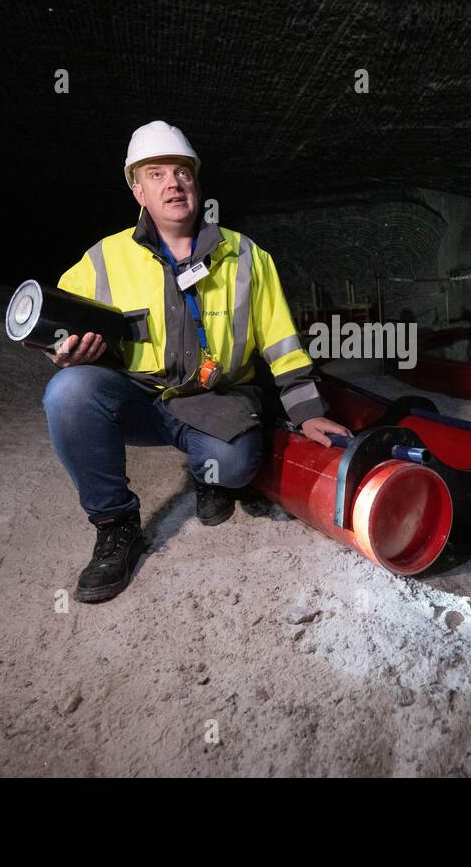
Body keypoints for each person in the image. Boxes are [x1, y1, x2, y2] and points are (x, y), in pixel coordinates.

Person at [42, 120, 351, 602]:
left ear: (197, 183)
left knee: (233, 465)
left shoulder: (247, 258)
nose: (173, 183)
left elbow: (282, 345)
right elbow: (60, 323)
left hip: (217, 399)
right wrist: (61, 348)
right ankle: (115, 526)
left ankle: (210, 473)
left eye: (182, 172)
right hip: (141, 399)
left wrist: (310, 414)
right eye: (157, 174)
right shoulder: (104, 260)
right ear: (138, 191)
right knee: (69, 392)